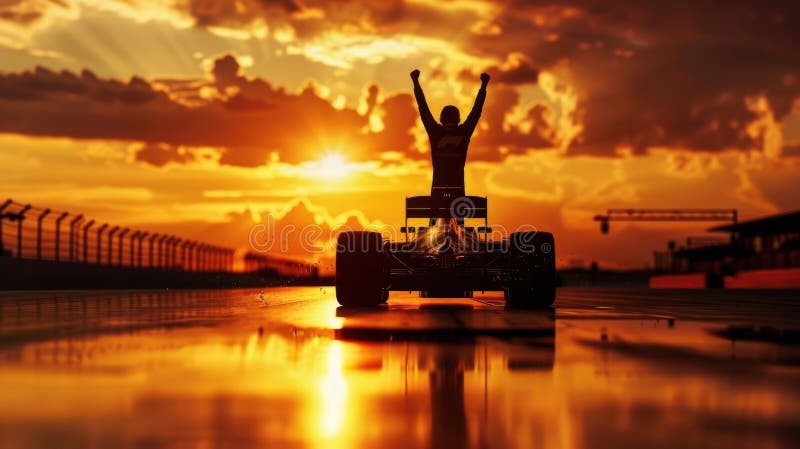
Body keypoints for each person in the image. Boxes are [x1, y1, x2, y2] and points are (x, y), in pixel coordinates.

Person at [411, 69, 489, 225]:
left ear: (441, 119)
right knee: (459, 228)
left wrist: (415, 82)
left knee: (433, 225)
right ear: (459, 119)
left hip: (437, 191)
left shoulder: (435, 131)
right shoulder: (464, 131)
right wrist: (483, 85)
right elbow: (476, 111)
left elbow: (423, 108)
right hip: (458, 192)